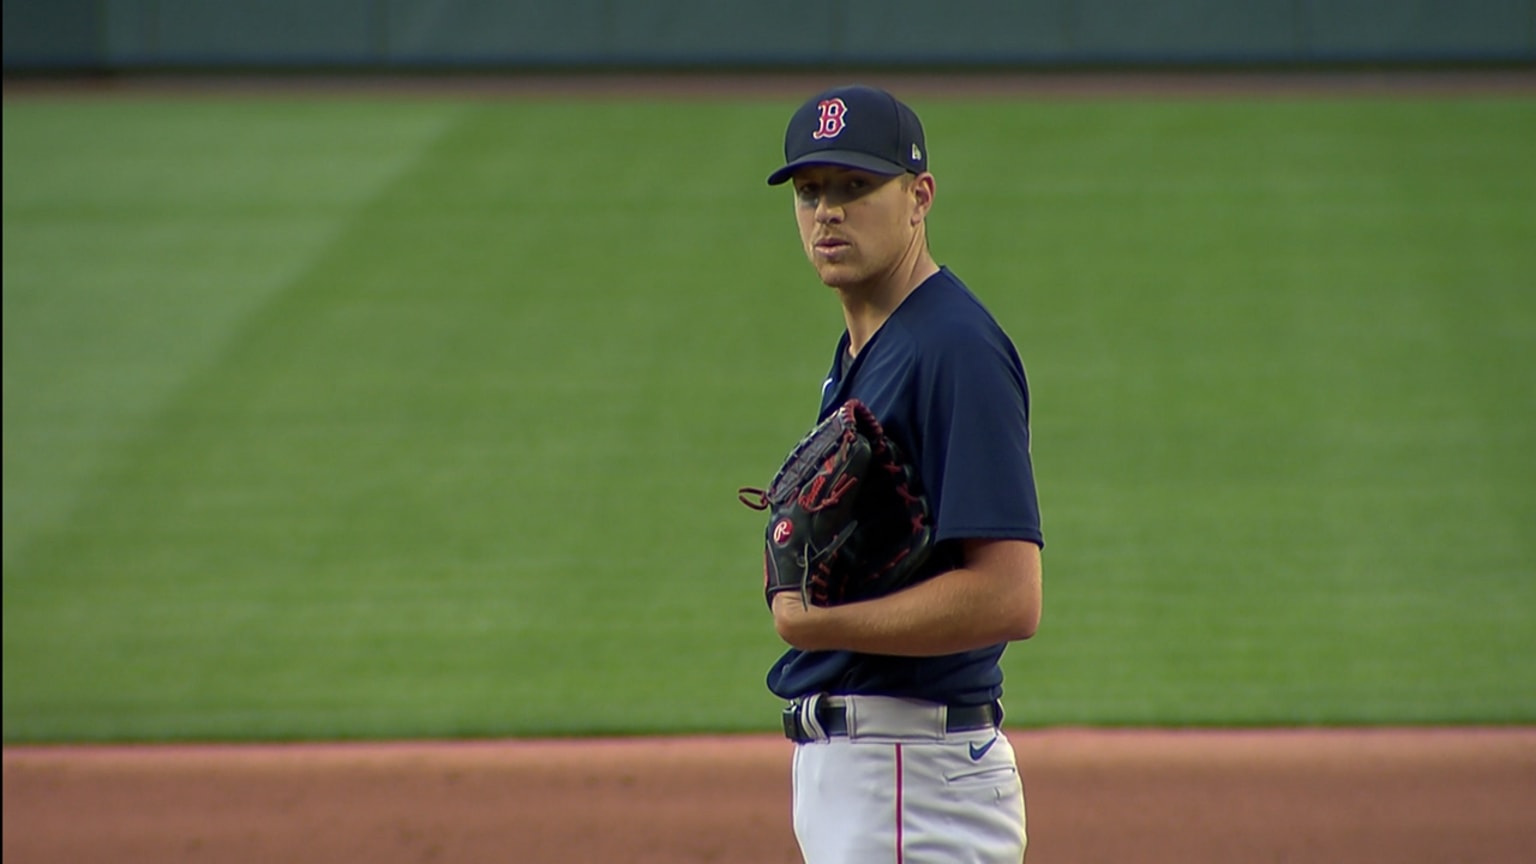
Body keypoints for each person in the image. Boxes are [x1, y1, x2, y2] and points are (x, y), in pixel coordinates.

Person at [760, 84, 1045, 863]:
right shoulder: (867, 345)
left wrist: (818, 625)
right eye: (812, 190)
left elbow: (1011, 596)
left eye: (856, 187)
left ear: (920, 197)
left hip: (908, 778)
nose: (828, 211)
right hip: (876, 775)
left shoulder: (954, 350)